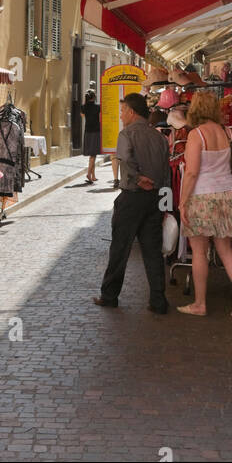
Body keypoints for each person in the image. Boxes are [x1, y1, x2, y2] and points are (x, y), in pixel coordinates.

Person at [176, 90, 232, 319]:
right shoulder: (229, 132)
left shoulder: (196, 135)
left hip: (201, 197)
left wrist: (182, 203)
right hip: (227, 195)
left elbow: (191, 172)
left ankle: (200, 304)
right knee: (226, 251)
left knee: (199, 252)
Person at [93, 94, 170, 314]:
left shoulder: (126, 134)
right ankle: (158, 301)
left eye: (122, 111)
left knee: (120, 248)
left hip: (132, 197)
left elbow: (125, 158)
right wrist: (165, 203)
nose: (120, 115)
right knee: (153, 251)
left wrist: (137, 177)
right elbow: (166, 173)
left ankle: (110, 296)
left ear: (131, 112)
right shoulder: (160, 138)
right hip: (155, 198)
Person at [81, 90, 101, 183]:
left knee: (93, 154)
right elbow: (101, 117)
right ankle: (89, 174)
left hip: (87, 131)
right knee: (93, 154)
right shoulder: (98, 107)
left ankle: (93, 175)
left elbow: (83, 116)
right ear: (94, 97)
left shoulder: (83, 107)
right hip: (96, 131)